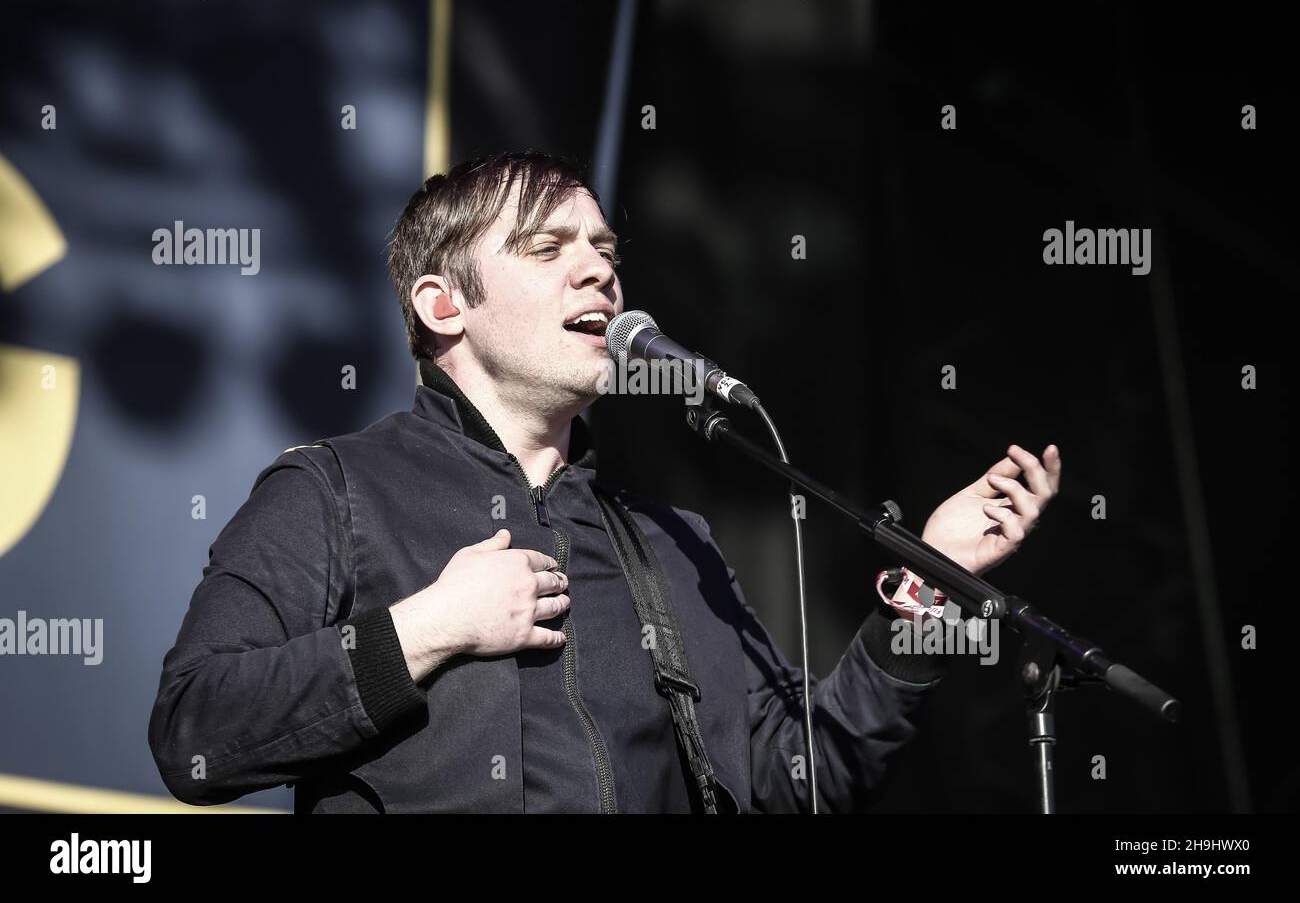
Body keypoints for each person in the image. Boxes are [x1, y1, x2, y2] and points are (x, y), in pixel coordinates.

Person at [148, 151, 1061, 813]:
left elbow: (800, 780)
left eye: (606, 251)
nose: (601, 270)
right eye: (548, 250)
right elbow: (195, 735)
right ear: (443, 304)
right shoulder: (334, 490)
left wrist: (927, 589)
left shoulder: (673, 543)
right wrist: (426, 629)